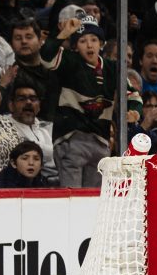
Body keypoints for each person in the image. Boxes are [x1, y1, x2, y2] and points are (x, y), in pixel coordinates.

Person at [39, 15, 115, 188]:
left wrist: (134, 110)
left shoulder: (112, 68)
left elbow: (131, 93)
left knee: (94, 200)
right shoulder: (69, 61)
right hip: (71, 139)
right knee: (72, 198)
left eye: (93, 39)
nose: (89, 45)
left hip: (101, 142)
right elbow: (46, 58)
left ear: (101, 43)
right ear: (74, 46)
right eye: (82, 41)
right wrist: (64, 33)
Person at [8, 81, 56, 180]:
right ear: (11, 105)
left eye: (33, 99)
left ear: (39, 106)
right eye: (22, 99)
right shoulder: (5, 126)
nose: (29, 102)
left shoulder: (46, 127)